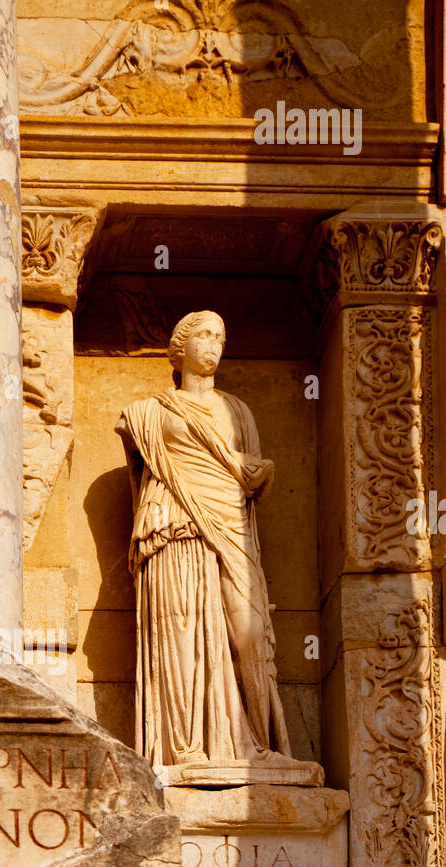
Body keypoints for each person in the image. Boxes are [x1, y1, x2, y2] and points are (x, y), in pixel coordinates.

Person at [116, 309, 293, 773]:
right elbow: (142, 474)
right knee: (181, 631)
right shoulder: (149, 412)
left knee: (248, 633)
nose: (214, 344)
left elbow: (251, 482)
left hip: (232, 528)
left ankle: (256, 744)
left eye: (221, 336)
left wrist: (256, 470)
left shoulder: (237, 410)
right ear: (180, 347)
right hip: (174, 526)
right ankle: (184, 748)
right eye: (204, 335)